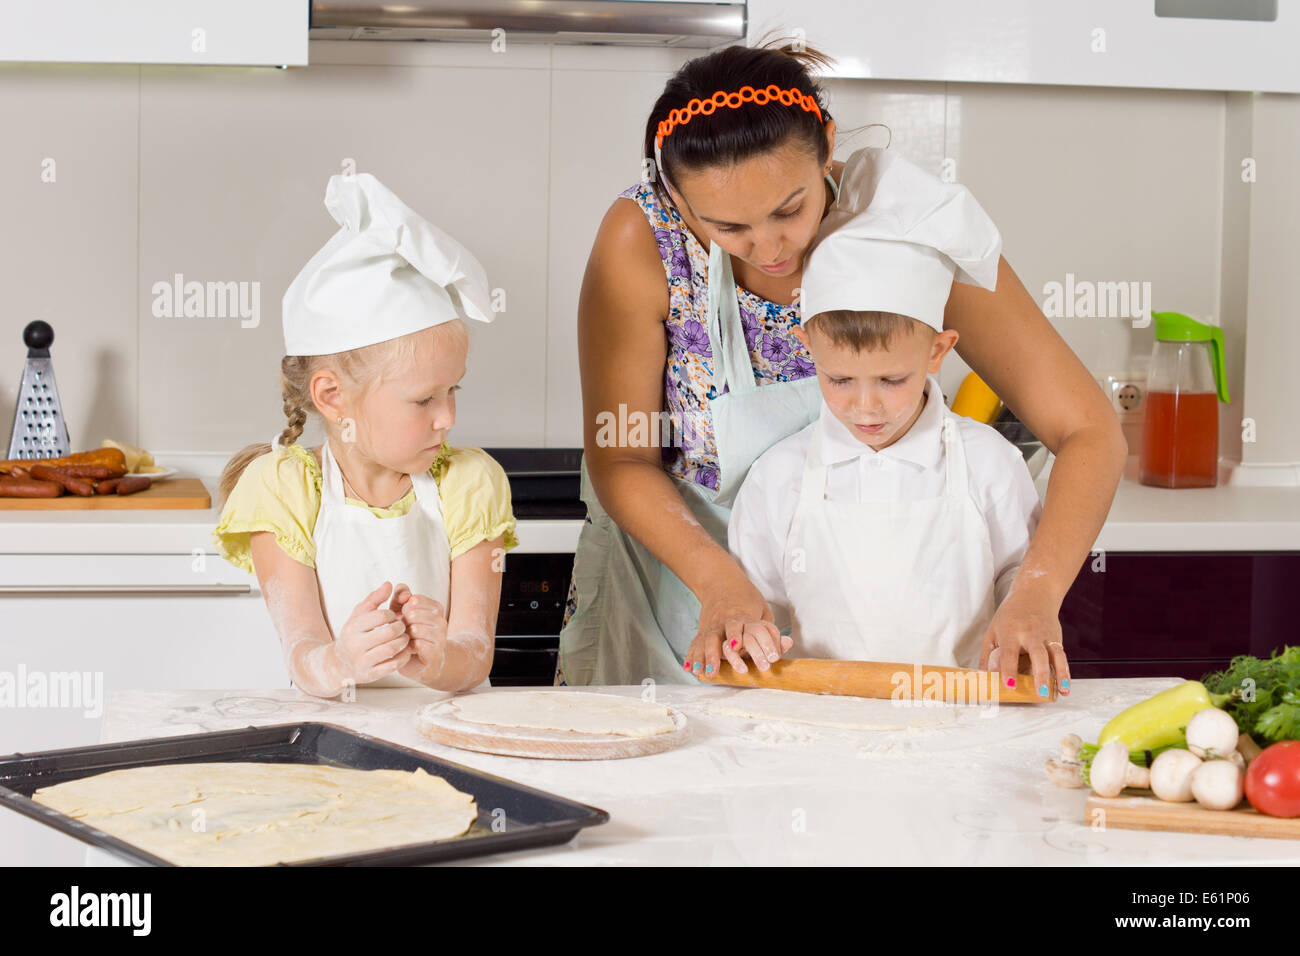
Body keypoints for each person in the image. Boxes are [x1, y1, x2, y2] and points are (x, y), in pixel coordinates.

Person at [557, 38, 1124, 692]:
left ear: (826, 144)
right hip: (682, 595)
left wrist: (1035, 594)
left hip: (869, 619)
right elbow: (621, 455)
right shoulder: (643, 238)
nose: (769, 248)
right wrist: (722, 583)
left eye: (789, 210)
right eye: (728, 228)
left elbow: (1088, 431)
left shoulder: (906, 227)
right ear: (678, 199)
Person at [724, 145, 1047, 689]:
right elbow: (756, 608)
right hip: (813, 734)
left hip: (961, 734)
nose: (864, 407)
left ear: (937, 352)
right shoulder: (778, 476)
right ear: (807, 348)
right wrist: (745, 637)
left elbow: (1021, 578)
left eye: (892, 380)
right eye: (840, 380)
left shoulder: (988, 463)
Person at [212, 173, 519, 697]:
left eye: (453, 390)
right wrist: (342, 662)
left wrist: (439, 661)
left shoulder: (471, 483)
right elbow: (304, 655)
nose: (446, 417)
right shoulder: (281, 490)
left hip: (452, 733)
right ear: (332, 397)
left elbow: (474, 650)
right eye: (424, 399)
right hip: (333, 741)